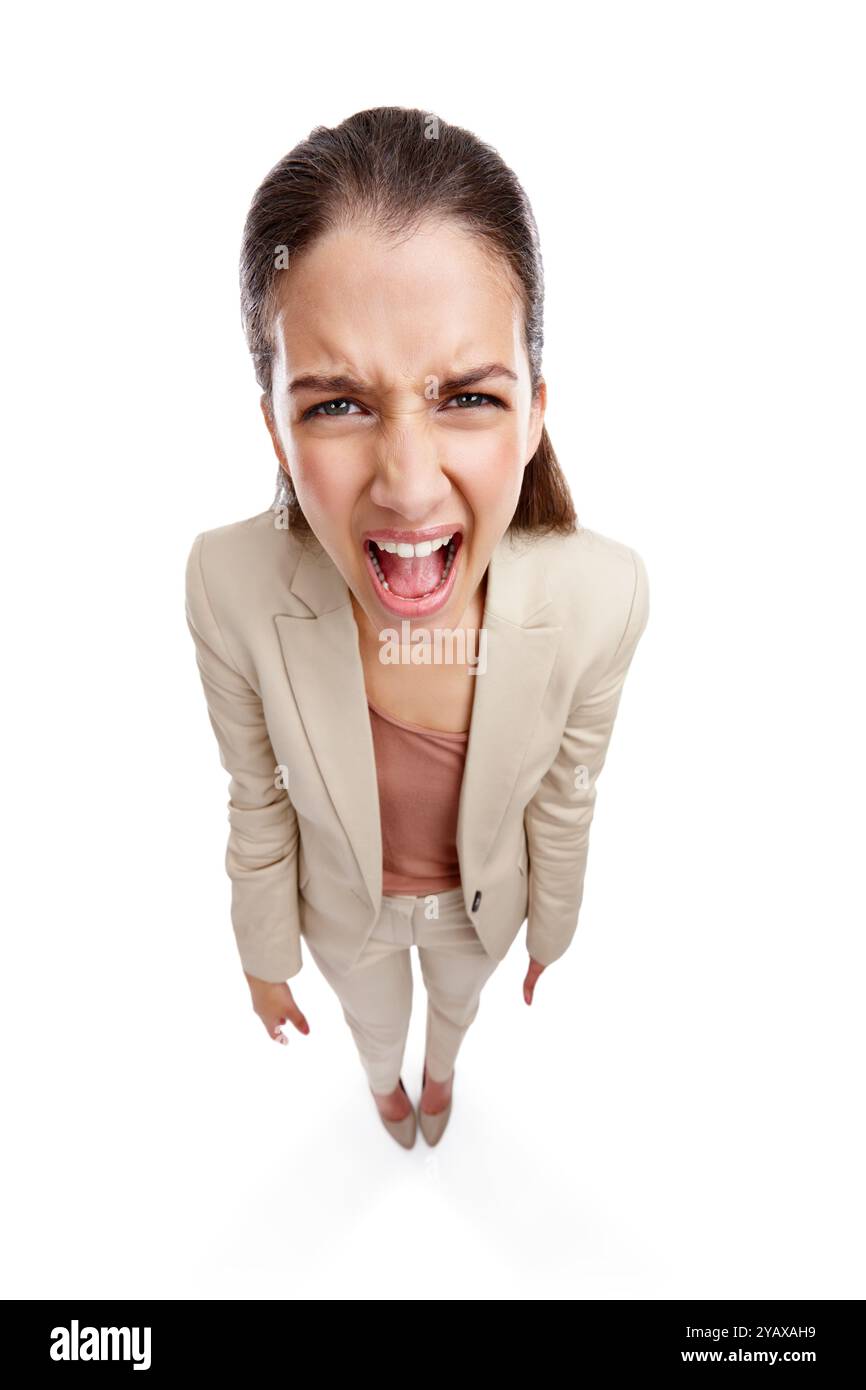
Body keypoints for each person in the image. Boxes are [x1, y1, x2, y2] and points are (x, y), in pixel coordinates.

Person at [185, 106, 649, 1149]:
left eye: (468, 397)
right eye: (336, 405)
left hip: (481, 916)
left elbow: (568, 792)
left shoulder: (600, 597)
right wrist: (263, 954)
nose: (403, 485)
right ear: (274, 424)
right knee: (373, 1023)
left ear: (534, 411)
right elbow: (253, 792)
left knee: (451, 1014)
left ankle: (438, 1077)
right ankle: (385, 1086)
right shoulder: (227, 580)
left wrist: (553, 930)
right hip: (342, 921)